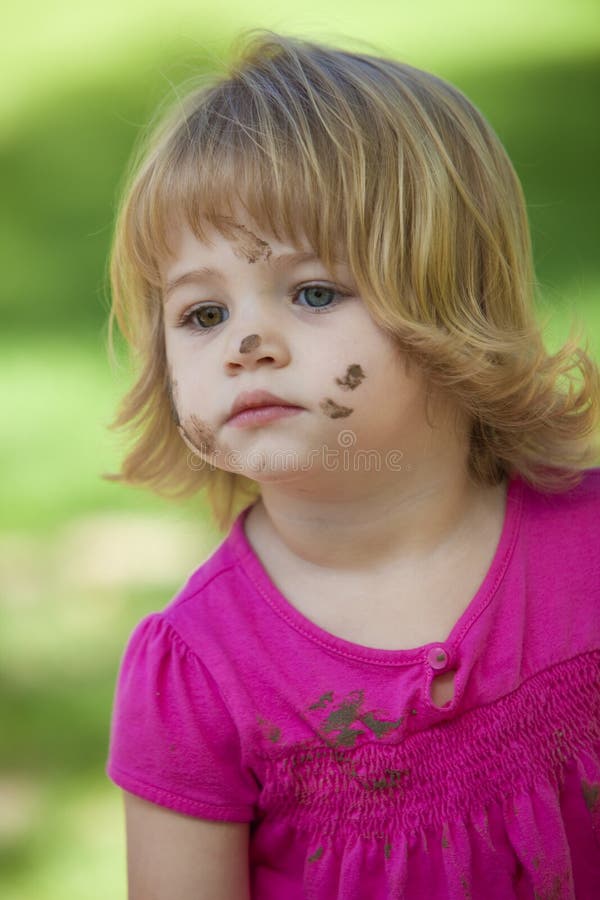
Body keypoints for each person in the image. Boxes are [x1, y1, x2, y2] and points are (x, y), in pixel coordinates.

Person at [104, 29, 600, 899]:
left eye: (314, 292)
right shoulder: (196, 675)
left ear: (449, 297)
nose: (248, 344)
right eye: (203, 314)